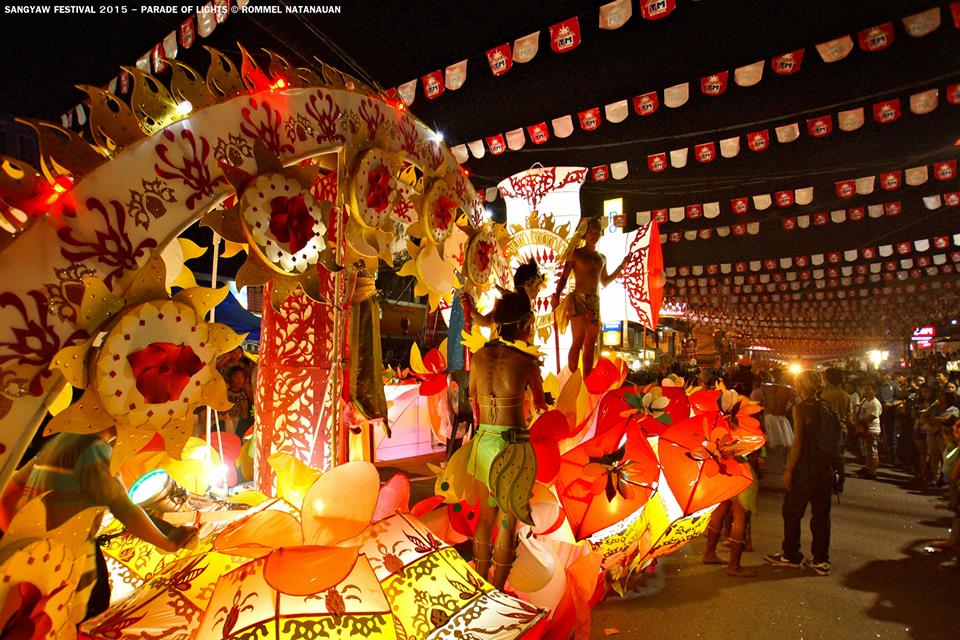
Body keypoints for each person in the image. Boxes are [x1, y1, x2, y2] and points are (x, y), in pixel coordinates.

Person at [0, 428, 198, 619]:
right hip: (68, 565)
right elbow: (123, 507)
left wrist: (20, 541)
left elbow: (8, 494)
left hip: (33, 561)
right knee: (79, 615)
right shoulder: (93, 448)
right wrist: (168, 543)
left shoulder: (64, 440)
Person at [468, 291, 547, 589]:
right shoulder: (526, 361)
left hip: (483, 443)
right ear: (525, 322)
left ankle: (479, 585)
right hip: (512, 447)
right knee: (506, 522)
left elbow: (472, 395)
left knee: (485, 520)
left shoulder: (478, 356)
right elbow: (540, 404)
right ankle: (497, 590)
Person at [764, 370, 839, 576]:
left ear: (801, 386)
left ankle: (791, 554)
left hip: (806, 468)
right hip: (825, 469)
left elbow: (798, 442)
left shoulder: (801, 409)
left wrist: (788, 470)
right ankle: (821, 560)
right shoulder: (827, 408)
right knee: (821, 516)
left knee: (792, 511)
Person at [551, 217, 627, 378]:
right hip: (578, 299)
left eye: (597, 232)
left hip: (595, 302)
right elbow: (564, 277)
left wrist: (621, 266)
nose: (594, 235)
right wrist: (557, 295)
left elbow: (604, 281)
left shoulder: (602, 258)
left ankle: (586, 381)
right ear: (584, 234)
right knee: (577, 340)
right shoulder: (575, 254)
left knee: (590, 345)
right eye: (591, 232)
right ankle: (572, 378)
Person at [750, 369, 796, 478]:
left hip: (768, 417)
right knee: (784, 444)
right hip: (782, 418)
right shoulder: (788, 390)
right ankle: (783, 464)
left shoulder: (760, 390)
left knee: (765, 442)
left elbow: (754, 406)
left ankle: (764, 463)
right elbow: (793, 404)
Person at [856, 383, 882, 480]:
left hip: (872, 429)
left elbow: (871, 417)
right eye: (865, 389)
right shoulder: (865, 400)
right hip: (864, 429)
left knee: (873, 452)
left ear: (874, 391)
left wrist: (861, 424)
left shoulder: (875, 403)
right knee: (867, 452)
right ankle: (868, 468)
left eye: (869, 389)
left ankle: (873, 471)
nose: (867, 391)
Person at [221, 365, 254, 436]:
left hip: (243, 422)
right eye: (236, 377)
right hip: (228, 422)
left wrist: (248, 390)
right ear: (229, 378)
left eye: (242, 377)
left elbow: (253, 403)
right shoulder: (226, 393)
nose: (239, 380)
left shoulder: (245, 392)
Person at [878, 373, 902, 464]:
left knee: (892, 434)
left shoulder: (894, 385)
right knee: (881, 434)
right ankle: (885, 453)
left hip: (891, 413)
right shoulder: (878, 386)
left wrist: (892, 404)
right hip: (881, 412)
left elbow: (901, 398)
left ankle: (894, 455)